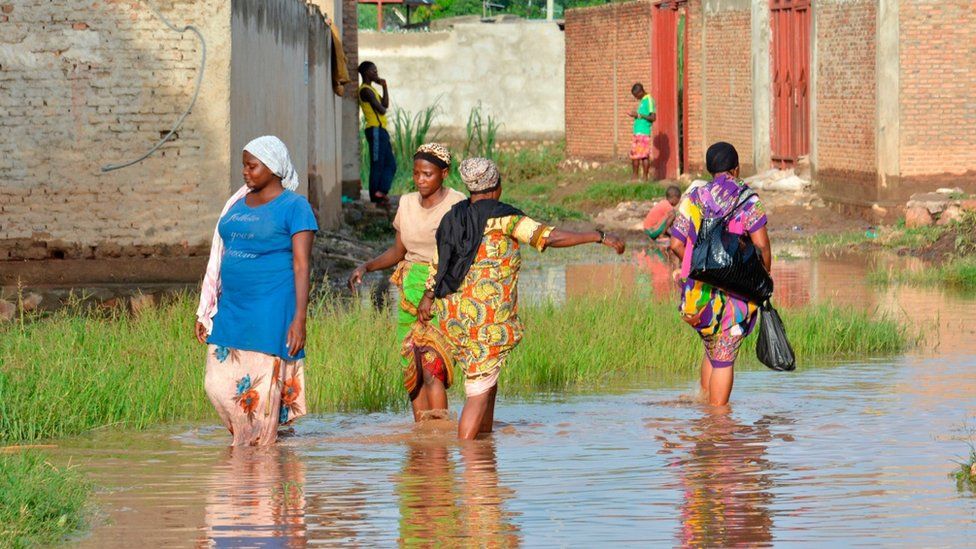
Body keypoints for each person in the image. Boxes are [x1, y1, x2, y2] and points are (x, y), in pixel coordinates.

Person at [418, 158, 626, 440]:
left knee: (487, 383)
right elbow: (548, 237)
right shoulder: (505, 219)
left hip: (455, 316)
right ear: (496, 188)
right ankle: (469, 458)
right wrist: (598, 236)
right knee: (478, 391)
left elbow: (438, 262)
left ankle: (483, 448)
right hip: (486, 320)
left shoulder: (453, 217)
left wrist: (427, 298)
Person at [195, 136, 318, 446]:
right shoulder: (236, 203)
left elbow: (302, 266)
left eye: (252, 166)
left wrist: (299, 319)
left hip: (272, 307)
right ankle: (249, 443)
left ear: (274, 168)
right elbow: (219, 254)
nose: (245, 172)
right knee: (217, 384)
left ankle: (258, 472)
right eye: (244, 166)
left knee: (262, 393)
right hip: (232, 308)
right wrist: (206, 309)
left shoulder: (295, 207)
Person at [348, 143, 466, 421]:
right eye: (416, 174)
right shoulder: (407, 203)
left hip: (440, 291)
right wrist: (367, 266)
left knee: (432, 368)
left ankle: (438, 437)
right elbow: (398, 252)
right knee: (411, 368)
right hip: (408, 290)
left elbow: (459, 256)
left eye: (428, 174)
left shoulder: (456, 203)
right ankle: (421, 442)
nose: (421, 180)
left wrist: (431, 292)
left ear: (444, 173)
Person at [668, 142, 771, 407]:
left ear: (709, 169)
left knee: (712, 347)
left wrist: (697, 270)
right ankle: (717, 426)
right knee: (724, 356)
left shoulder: (694, 197)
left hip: (697, 296)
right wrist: (762, 280)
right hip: (733, 297)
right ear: (736, 169)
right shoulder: (748, 200)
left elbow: (675, 245)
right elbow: (761, 245)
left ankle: (703, 408)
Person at [358, 60, 396, 206]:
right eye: (373, 71)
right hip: (374, 130)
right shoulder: (365, 90)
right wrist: (382, 105)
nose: (376, 73)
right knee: (377, 163)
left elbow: (385, 104)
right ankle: (375, 195)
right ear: (366, 73)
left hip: (381, 131)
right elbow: (381, 109)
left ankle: (381, 191)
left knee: (391, 164)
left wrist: (385, 87)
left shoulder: (372, 90)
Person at [628, 82, 656, 182]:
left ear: (640, 92)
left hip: (643, 133)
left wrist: (638, 115)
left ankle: (638, 178)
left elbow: (653, 117)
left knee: (637, 156)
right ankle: (641, 178)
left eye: (636, 96)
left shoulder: (648, 100)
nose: (636, 98)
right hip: (639, 132)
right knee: (641, 155)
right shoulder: (643, 101)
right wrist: (636, 115)